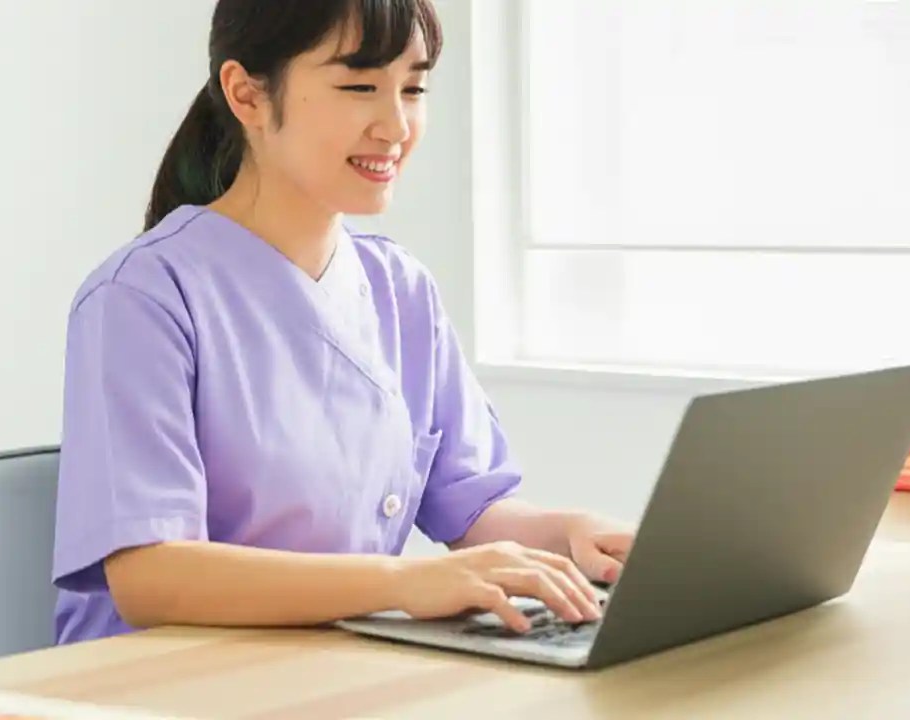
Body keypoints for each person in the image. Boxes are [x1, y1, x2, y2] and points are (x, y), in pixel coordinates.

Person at [51, 0, 634, 646]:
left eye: (413, 88)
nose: (396, 126)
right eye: (359, 87)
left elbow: (473, 508)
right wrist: (399, 584)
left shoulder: (402, 291)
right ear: (246, 95)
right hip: (150, 688)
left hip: (332, 670)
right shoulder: (141, 297)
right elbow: (149, 577)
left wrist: (573, 534)